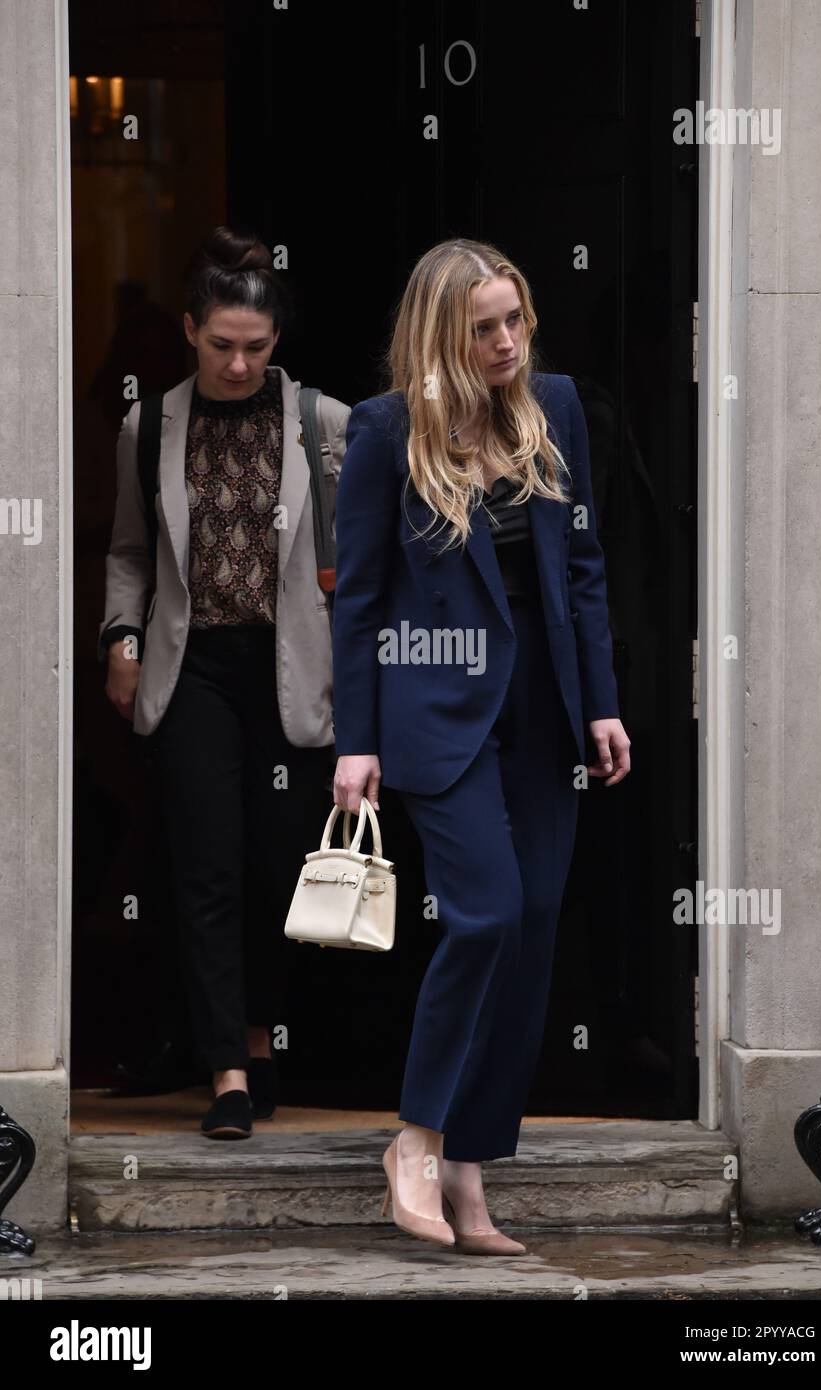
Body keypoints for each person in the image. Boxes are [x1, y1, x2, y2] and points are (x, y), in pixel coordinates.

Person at [331, 237, 631, 1254]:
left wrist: (600, 702)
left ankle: (468, 1169)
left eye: (515, 319)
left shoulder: (553, 409)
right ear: (440, 336)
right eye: (485, 327)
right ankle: (413, 1139)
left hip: (543, 709)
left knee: (534, 922)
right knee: (486, 913)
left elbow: (581, 568)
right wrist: (355, 738)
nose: (507, 341)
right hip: (435, 707)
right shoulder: (383, 431)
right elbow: (359, 597)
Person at [98, 226, 351, 1139]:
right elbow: (130, 552)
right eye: (220, 345)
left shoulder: (324, 423)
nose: (238, 363)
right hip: (194, 665)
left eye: (255, 346)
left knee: (281, 869)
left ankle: (262, 1034)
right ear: (189, 330)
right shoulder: (149, 423)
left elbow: (358, 565)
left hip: (291, 671)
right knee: (203, 867)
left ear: (276, 340)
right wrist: (121, 641)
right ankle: (228, 1074)